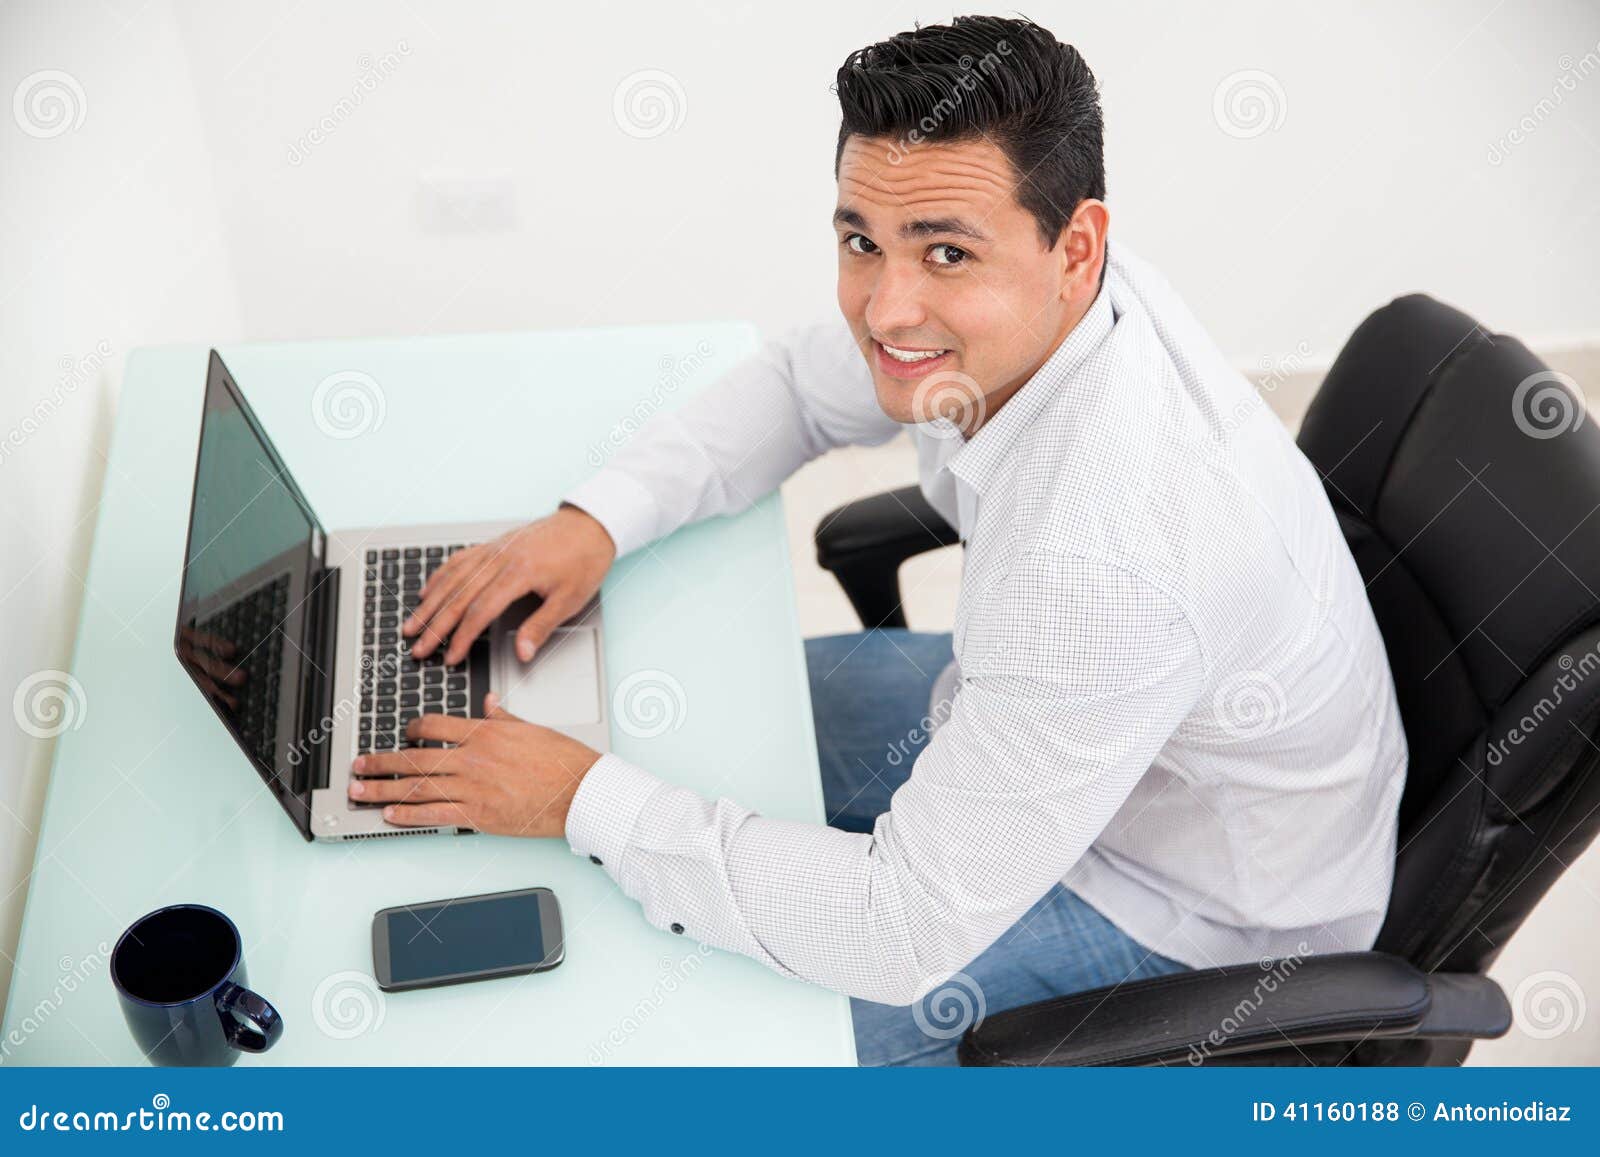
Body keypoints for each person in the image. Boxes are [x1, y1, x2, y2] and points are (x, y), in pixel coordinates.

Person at [347, 15, 1408, 1066]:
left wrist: (578, 797)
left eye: (945, 251)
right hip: (1059, 725)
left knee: (717, 1044)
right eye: (862, 240)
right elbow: (798, 385)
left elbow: (891, 929)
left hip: (1182, 909)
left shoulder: (1105, 565)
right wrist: (597, 520)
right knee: (697, 714)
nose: (885, 309)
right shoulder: (1056, 297)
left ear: (1075, 245)